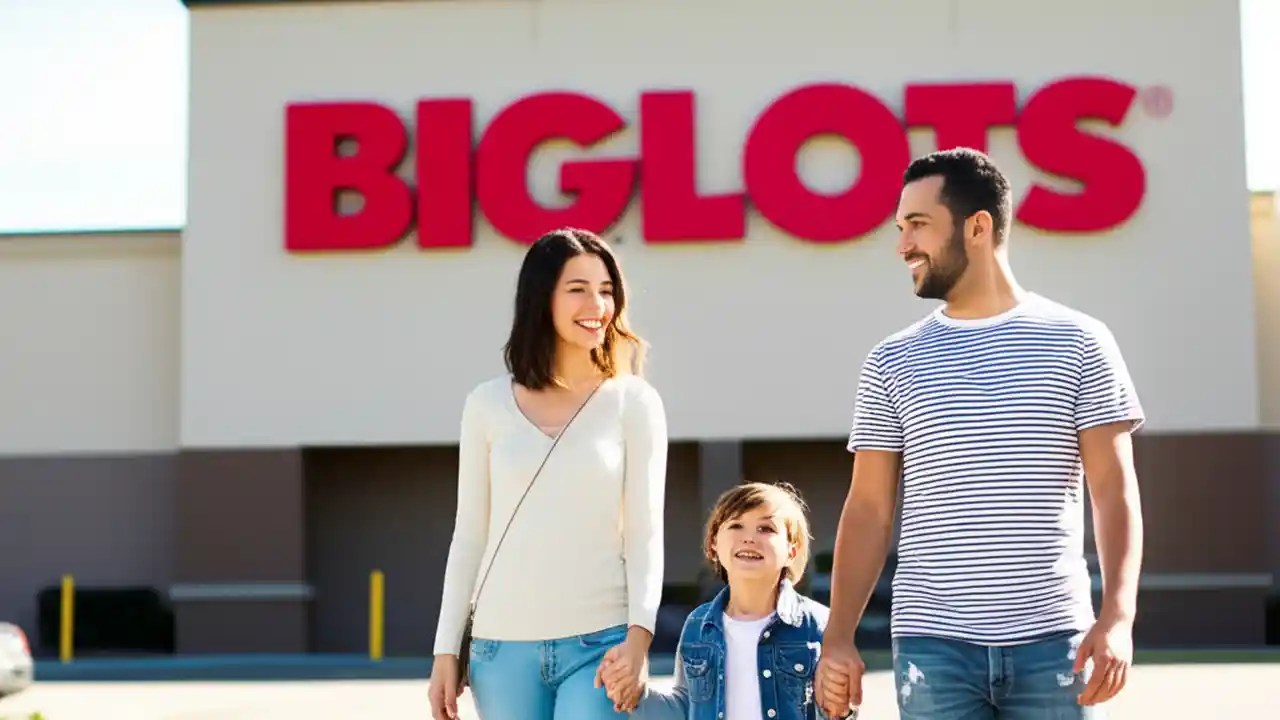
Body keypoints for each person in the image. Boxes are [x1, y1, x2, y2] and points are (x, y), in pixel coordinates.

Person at [815, 148, 1146, 719]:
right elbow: (868, 509)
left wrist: (1116, 616)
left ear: (978, 226)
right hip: (931, 649)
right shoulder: (891, 361)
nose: (902, 246)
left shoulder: (1079, 342)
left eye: (918, 224)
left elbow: (1113, 491)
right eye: (899, 228)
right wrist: (838, 638)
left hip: (1053, 644)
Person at [427, 227, 669, 720]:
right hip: (500, 650)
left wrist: (639, 641)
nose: (597, 304)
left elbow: (645, 533)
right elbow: (469, 534)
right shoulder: (486, 404)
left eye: (606, 291)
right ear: (542, 298)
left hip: (600, 645)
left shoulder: (633, 402)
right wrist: (446, 650)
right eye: (577, 289)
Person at [620, 481, 848, 720]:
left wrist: (841, 709)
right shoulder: (698, 625)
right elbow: (684, 709)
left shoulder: (819, 624)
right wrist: (636, 696)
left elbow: (836, 710)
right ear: (713, 545)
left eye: (766, 529)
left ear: (792, 550)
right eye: (736, 525)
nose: (749, 538)